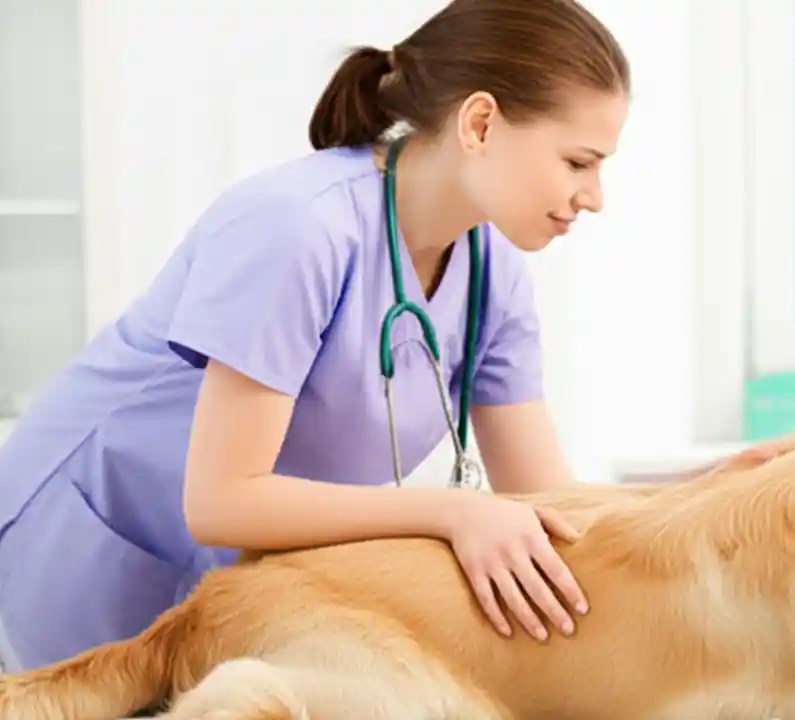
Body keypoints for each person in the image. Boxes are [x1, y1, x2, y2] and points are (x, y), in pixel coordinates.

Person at [0, 0, 643, 672]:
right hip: (89, 557)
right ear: (480, 123)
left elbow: (547, 498)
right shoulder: (296, 227)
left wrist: (719, 492)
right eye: (579, 162)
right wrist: (451, 512)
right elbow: (224, 500)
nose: (596, 195)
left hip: (234, 601)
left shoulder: (492, 269)